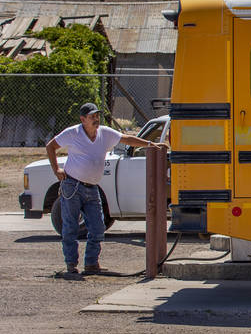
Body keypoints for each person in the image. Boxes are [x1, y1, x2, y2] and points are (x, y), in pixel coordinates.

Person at [46, 103, 166, 276]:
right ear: (82, 119)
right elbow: (51, 146)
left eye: (97, 116)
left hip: (93, 187)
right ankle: (71, 265)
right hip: (72, 185)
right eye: (92, 116)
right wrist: (56, 169)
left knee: (97, 227)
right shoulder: (72, 133)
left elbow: (126, 139)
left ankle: (91, 264)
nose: (96, 119)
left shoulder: (105, 133)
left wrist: (149, 144)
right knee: (71, 227)